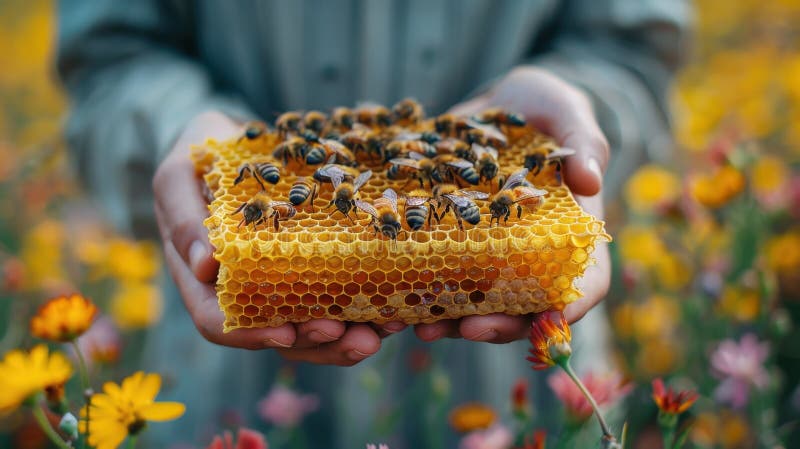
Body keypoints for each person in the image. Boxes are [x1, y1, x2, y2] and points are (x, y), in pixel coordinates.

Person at [57, 1, 689, 447]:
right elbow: (109, 57)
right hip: (233, 399)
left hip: (522, 398)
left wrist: (581, 110)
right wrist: (179, 133)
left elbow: (633, 48)